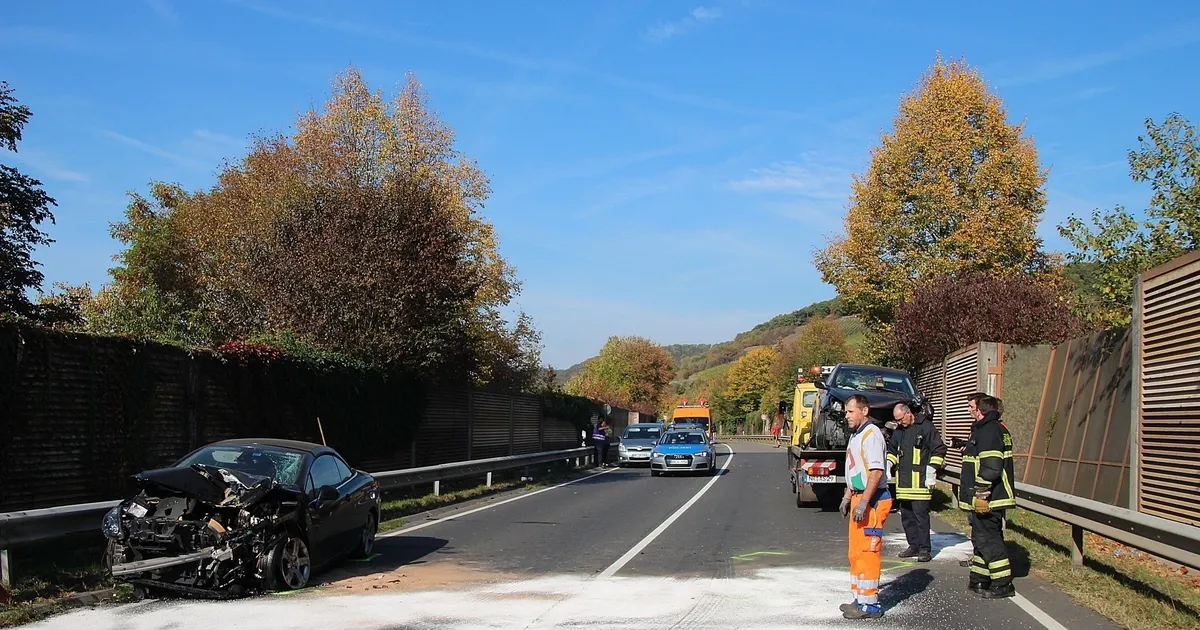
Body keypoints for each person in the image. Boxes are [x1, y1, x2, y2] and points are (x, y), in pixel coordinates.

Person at [838, 394, 893, 620]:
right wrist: (847, 496)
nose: (847, 415)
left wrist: (863, 502)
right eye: (846, 411)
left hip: (873, 500)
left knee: (868, 552)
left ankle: (870, 605)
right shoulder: (857, 435)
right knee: (856, 552)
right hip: (860, 498)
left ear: (865, 410)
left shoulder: (872, 435)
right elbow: (856, 472)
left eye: (851, 411)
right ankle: (860, 598)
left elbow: (876, 472)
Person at [959, 394, 1017, 599]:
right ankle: (980, 579)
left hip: (988, 497)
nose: (969, 411)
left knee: (988, 539)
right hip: (985, 496)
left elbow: (991, 467)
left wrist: (981, 494)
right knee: (981, 539)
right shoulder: (991, 429)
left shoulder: (989, 430)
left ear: (980, 410)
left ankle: (1003, 584)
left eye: (971, 407)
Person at [887, 402, 947, 563]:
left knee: (921, 518)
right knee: (907, 518)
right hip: (904, 483)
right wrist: (889, 464)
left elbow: (939, 449)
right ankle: (913, 545)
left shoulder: (926, 427)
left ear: (908, 413)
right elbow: (893, 450)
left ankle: (924, 549)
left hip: (920, 482)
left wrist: (932, 469)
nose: (899, 423)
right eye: (897, 420)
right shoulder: (899, 431)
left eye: (900, 419)